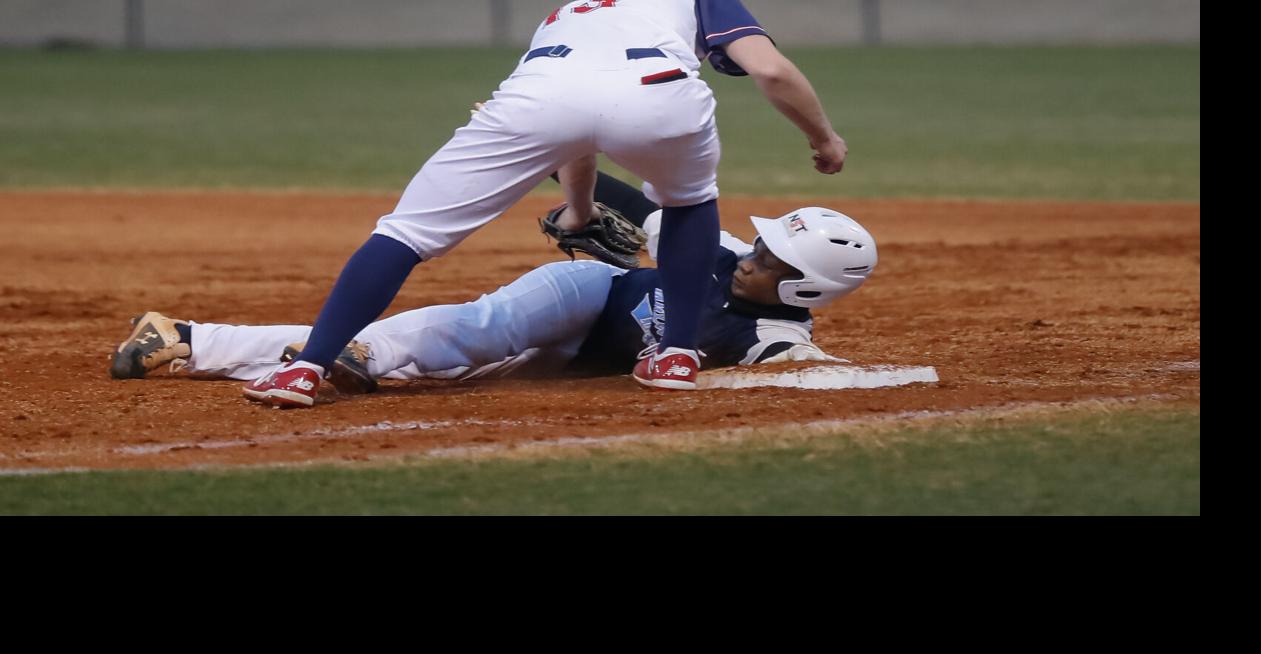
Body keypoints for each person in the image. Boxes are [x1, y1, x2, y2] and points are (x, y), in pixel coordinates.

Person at [242, 0, 849, 408]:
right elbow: (770, 72)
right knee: (690, 202)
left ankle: (305, 369)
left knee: (404, 233)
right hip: (660, 92)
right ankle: (675, 357)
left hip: (539, 94)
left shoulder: (568, 13)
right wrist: (823, 137)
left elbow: (576, 129)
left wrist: (579, 212)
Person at [110, 186, 879, 398]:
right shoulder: (722, 249)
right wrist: (546, 155)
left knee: (432, 370)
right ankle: (359, 350)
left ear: (806, 285)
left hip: (574, 365)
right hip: (583, 292)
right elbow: (644, 205)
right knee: (480, 323)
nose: (757, 252)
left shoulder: (775, 342)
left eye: (775, 257)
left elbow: (825, 372)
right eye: (766, 242)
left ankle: (187, 334)